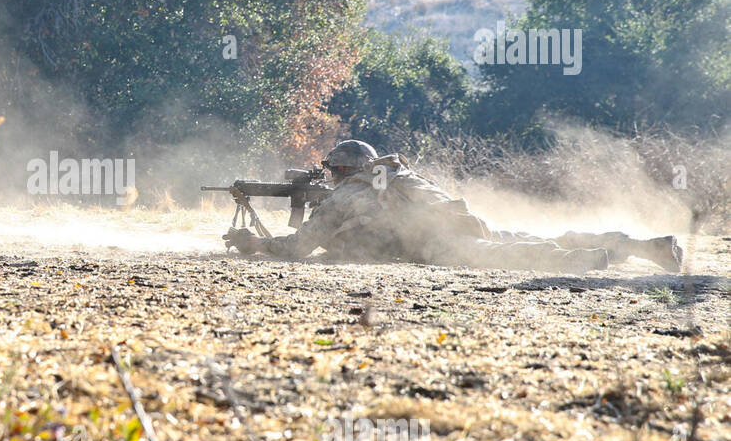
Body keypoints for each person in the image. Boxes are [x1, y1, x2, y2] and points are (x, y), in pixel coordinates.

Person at [223, 140, 683, 272]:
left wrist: (254, 243)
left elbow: (298, 248)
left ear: (340, 171)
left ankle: (590, 260)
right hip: (465, 221)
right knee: (533, 236)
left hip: (438, 244)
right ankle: (647, 247)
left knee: (516, 255)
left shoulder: (345, 195)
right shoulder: (396, 174)